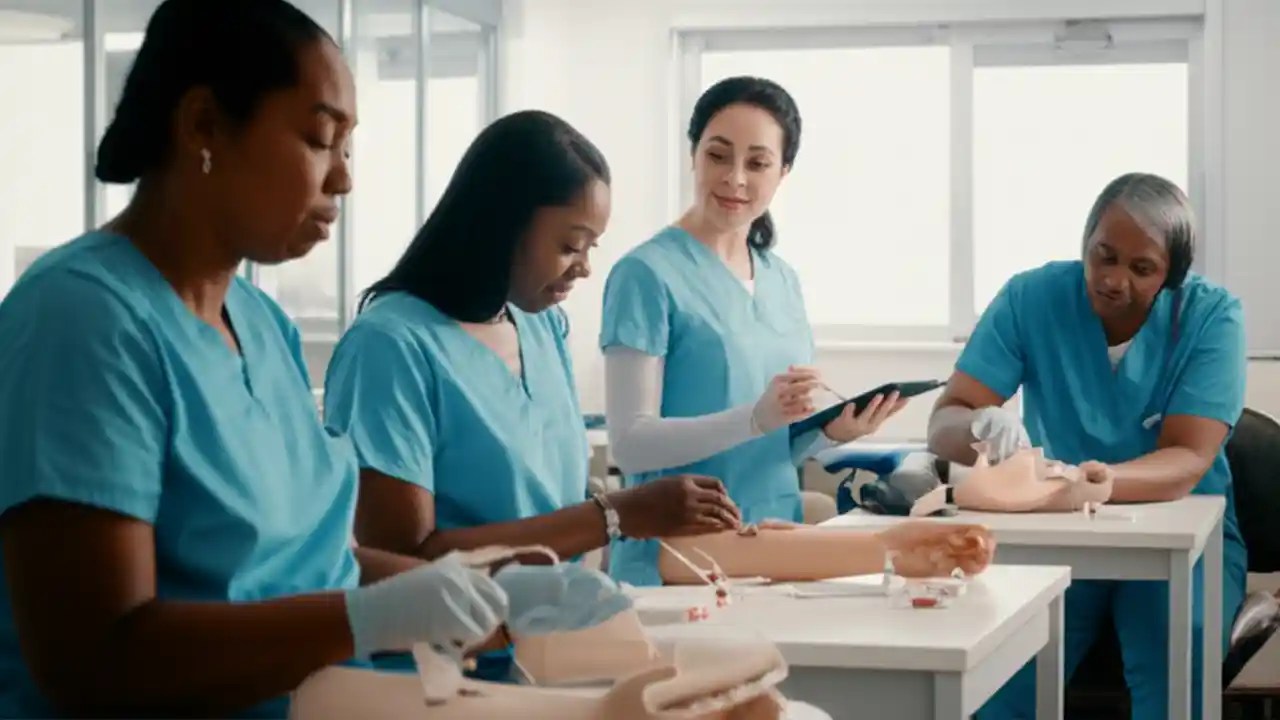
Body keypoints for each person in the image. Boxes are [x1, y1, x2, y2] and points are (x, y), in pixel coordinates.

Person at [0, 2, 516, 717]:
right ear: (203, 125)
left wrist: (486, 591)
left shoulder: (261, 322)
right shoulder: (82, 317)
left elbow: (307, 567)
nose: (343, 179)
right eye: (319, 137)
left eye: (348, 147)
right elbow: (94, 655)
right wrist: (370, 618)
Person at [321, 110, 743, 679]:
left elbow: (549, 494)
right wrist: (613, 515)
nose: (584, 268)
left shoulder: (541, 327)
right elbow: (405, 559)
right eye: (571, 244)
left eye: (592, 246)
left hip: (554, 650)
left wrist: (627, 520)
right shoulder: (391, 347)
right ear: (502, 223)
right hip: (449, 670)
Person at [927, 172, 1247, 720]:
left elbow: (1188, 458)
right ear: (1085, 242)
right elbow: (944, 421)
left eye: (1142, 268)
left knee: (1180, 647)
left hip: (1179, 533)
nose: (1114, 280)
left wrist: (1090, 484)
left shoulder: (1210, 317)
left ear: (1173, 275)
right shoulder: (1032, 299)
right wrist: (979, 426)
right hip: (1054, 530)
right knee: (999, 666)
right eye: (1104, 255)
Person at [598, 76, 910, 586]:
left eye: (758, 163)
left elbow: (770, 442)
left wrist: (828, 433)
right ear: (693, 156)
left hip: (774, 543)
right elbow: (630, 444)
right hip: (677, 555)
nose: (735, 178)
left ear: (783, 172)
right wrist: (754, 418)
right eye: (718, 156)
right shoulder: (646, 275)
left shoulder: (781, 280)